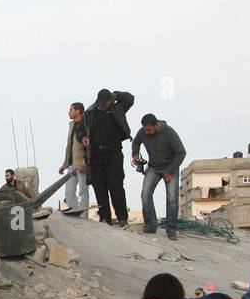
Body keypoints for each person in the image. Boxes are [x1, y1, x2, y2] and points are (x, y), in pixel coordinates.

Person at [83, 88, 135, 227]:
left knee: (116, 185)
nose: (107, 104)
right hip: (95, 156)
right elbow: (80, 130)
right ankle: (105, 218)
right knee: (99, 188)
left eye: (109, 101)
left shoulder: (117, 108)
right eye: (106, 102)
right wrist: (82, 137)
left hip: (113, 154)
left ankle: (122, 218)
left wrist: (115, 95)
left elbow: (130, 98)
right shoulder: (90, 113)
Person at [130, 114, 186, 240]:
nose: (147, 132)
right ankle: (150, 224)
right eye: (145, 130)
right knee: (145, 194)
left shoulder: (169, 133)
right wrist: (135, 154)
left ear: (156, 125)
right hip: (153, 167)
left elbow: (181, 152)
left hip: (170, 167)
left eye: (149, 130)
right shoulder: (143, 132)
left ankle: (171, 229)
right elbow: (136, 141)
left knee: (172, 199)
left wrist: (170, 171)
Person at [57, 102, 90, 214]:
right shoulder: (72, 125)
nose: (69, 112)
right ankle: (76, 214)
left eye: (71, 109)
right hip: (72, 164)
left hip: (82, 163)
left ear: (78, 111)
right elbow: (69, 147)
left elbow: (89, 146)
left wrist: (85, 162)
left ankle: (84, 217)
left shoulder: (85, 124)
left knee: (83, 192)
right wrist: (64, 164)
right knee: (69, 193)